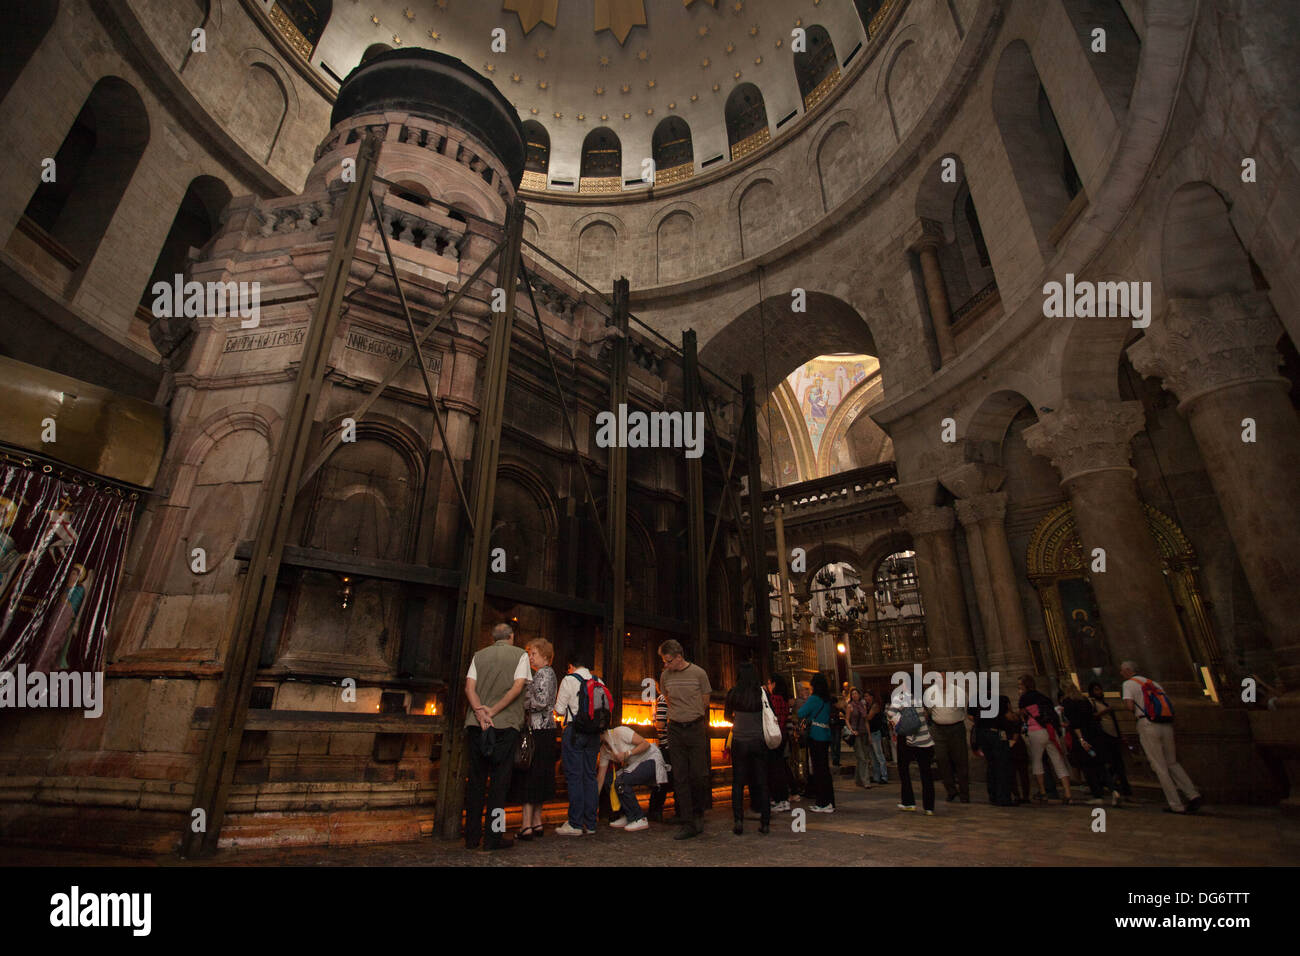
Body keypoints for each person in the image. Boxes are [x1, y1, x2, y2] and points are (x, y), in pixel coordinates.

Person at [463, 622, 531, 851]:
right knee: (499, 785)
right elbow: (517, 687)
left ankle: (471, 837)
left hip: (477, 725)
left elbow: (469, 688)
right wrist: (493, 711)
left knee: (475, 782)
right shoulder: (520, 655)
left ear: (493, 638)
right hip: (505, 725)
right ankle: (493, 837)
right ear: (511, 636)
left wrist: (480, 712)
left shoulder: (479, 656)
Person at [1120, 661, 1202, 814]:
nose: (1121, 673)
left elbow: (1130, 706)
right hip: (1165, 723)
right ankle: (1193, 794)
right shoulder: (1154, 683)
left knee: (1159, 766)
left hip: (1147, 723)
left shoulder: (1128, 684)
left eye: (1122, 671)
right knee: (1172, 762)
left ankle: (1176, 804)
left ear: (1128, 670)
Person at [658, 639, 713, 840]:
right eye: (664, 661)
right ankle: (687, 820)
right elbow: (666, 696)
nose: (666, 665)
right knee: (679, 775)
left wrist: (691, 712)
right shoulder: (665, 676)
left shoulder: (699, 674)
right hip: (675, 728)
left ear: (679, 657)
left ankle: (698, 813)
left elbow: (705, 701)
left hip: (695, 726)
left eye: (668, 660)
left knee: (698, 774)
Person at [553, 655, 602, 836]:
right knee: (590, 776)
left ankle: (574, 823)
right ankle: (590, 824)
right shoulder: (598, 680)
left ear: (571, 667)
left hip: (574, 731)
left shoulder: (568, 680)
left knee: (574, 777)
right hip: (594, 735)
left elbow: (558, 709)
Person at [515, 638, 558, 840]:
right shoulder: (547, 674)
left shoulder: (543, 674)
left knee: (530, 775)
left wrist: (520, 701)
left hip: (537, 731)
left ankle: (526, 825)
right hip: (546, 730)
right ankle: (537, 821)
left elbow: (540, 702)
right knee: (540, 776)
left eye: (533, 654)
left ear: (545, 656)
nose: (530, 657)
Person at [724, 662, 772, 834]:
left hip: (739, 740)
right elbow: (769, 714)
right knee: (762, 781)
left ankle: (738, 820)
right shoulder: (762, 693)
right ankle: (765, 821)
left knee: (738, 781)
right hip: (758, 740)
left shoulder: (733, 693)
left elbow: (727, 716)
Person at [597, 724, 666, 832]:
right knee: (610, 781)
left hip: (650, 759)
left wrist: (627, 754)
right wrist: (593, 801)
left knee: (621, 782)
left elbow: (645, 744)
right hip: (634, 765)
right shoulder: (604, 750)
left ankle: (639, 817)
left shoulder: (619, 732)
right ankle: (629, 815)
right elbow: (601, 777)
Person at [1016, 674, 1073, 805]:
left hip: (1035, 731)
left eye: (1020, 686)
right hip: (1050, 730)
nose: (1019, 689)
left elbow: (1023, 715)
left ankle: (1043, 792)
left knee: (1037, 761)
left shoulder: (1024, 698)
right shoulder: (1044, 697)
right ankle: (1068, 793)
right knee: (1058, 761)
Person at [887, 683, 937, 814]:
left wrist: (899, 723)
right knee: (926, 774)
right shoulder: (924, 699)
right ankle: (929, 807)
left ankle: (908, 802)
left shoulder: (902, 698)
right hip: (925, 740)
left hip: (909, 739)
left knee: (904, 770)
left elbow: (890, 712)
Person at [1062, 681, 1112, 804]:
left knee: (1088, 765)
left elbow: (1075, 723)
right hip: (1094, 734)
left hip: (1083, 736)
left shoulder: (1068, 702)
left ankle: (1097, 795)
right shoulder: (1084, 700)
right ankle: (1113, 789)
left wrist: (1081, 740)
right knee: (1098, 762)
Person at [926, 672, 971, 803]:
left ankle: (964, 793)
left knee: (961, 760)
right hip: (938, 730)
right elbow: (929, 710)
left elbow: (964, 708)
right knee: (942, 760)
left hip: (956, 729)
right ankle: (950, 790)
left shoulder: (958, 691)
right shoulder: (930, 692)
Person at [797, 673, 836, 812]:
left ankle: (822, 802)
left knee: (818, 770)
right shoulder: (827, 699)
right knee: (825, 769)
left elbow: (801, 712)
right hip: (826, 734)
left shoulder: (814, 699)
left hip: (816, 735)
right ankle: (830, 801)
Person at [1089, 681, 1132, 802]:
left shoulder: (1104, 703)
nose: (1099, 692)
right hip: (1103, 736)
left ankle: (1123, 788)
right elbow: (1092, 718)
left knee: (1118, 763)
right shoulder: (1092, 703)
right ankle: (1109, 784)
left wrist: (1120, 734)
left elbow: (1114, 720)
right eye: (1096, 690)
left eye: (1100, 689)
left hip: (1113, 735)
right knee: (1110, 762)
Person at [970, 693, 1016, 806]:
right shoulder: (1001, 699)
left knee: (991, 765)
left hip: (983, 734)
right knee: (1002, 766)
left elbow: (971, 716)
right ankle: (1003, 797)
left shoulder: (976, 698)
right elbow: (1009, 716)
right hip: (997, 733)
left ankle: (993, 795)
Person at [765, 674, 793, 811]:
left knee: (775, 768)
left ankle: (779, 799)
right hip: (783, 734)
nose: (768, 686)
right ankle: (784, 798)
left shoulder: (774, 699)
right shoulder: (784, 699)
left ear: (774, 684)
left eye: (769, 683)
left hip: (775, 735)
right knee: (780, 766)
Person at [648, 690, 673, 821]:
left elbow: (660, 724)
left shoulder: (663, 698)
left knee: (662, 777)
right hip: (675, 744)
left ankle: (655, 809)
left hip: (666, 744)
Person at [845, 687, 873, 789]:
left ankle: (858, 779)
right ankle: (866, 781)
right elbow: (847, 719)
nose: (855, 695)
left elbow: (866, 721)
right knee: (862, 758)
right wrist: (852, 730)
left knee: (864, 757)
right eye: (853, 694)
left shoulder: (863, 706)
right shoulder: (850, 706)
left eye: (856, 693)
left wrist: (869, 734)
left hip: (864, 732)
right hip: (856, 734)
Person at [865, 689, 889, 784]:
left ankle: (884, 776)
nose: (866, 698)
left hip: (875, 733)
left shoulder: (875, 706)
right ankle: (876, 776)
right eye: (865, 696)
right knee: (873, 756)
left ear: (871, 697)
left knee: (879, 755)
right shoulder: (868, 706)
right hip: (870, 732)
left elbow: (869, 717)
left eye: (867, 696)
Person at [829, 685, 847, 767]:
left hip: (833, 727)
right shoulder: (837, 708)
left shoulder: (831, 709)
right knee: (836, 743)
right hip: (836, 727)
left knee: (833, 744)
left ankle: (835, 759)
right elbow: (845, 714)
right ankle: (836, 759)